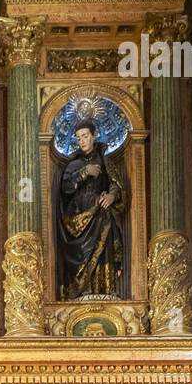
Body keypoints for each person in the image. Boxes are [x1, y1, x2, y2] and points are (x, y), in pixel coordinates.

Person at [55, 119, 125, 300]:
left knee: (103, 251)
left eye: (85, 136)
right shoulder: (73, 164)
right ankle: (82, 291)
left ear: (94, 136)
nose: (82, 141)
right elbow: (65, 188)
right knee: (81, 255)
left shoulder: (105, 161)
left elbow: (116, 186)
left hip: (101, 216)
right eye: (78, 138)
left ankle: (105, 290)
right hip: (79, 219)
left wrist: (111, 196)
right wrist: (84, 172)